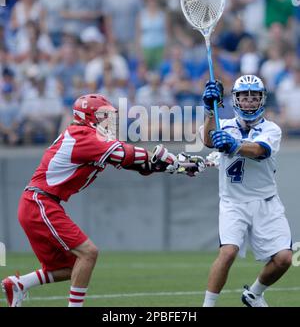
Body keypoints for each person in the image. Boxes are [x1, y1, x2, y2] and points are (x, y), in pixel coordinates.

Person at [1, 93, 206, 307]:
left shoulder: (90, 138)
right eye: (103, 116)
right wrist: (167, 158)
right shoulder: (82, 135)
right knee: (88, 253)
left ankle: (19, 283)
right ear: (88, 116)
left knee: (74, 267)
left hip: (40, 203)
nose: (109, 120)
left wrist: (176, 166)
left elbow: (136, 164)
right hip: (39, 202)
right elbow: (126, 153)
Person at [201, 75, 292, 307]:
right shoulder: (226, 125)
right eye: (244, 97)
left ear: (262, 100)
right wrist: (210, 110)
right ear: (236, 100)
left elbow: (259, 150)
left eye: (254, 97)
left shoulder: (272, 129)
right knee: (228, 252)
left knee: (283, 259)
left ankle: (254, 294)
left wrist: (234, 145)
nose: (249, 102)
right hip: (233, 202)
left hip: (266, 202)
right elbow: (208, 140)